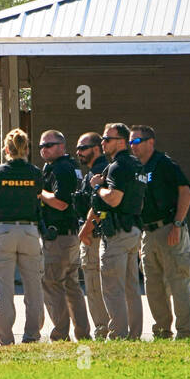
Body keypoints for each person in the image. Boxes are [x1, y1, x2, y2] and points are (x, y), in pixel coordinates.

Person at [0, 128, 44, 345]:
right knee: (33, 288)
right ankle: (32, 336)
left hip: (3, 231)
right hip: (30, 231)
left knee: (3, 289)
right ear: (26, 148)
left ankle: (5, 339)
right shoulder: (35, 173)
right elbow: (37, 197)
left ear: (6, 149)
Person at [80, 122, 145, 340]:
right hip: (133, 229)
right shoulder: (137, 164)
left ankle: (118, 334)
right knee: (131, 288)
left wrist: (98, 187)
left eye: (107, 139)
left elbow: (115, 199)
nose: (103, 143)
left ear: (121, 141)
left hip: (117, 232)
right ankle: (134, 335)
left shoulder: (118, 166)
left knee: (112, 288)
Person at [130, 125, 190, 339]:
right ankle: (162, 331)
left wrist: (177, 224)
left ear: (150, 142)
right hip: (148, 233)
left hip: (169, 228)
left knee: (178, 281)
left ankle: (184, 332)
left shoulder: (164, 164)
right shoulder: (136, 167)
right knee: (153, 285)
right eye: (130, 142)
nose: (133, 146)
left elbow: (185, 192)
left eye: (136, 142)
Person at [38, 130, 90, 341]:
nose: (43, 149)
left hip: (58, 236)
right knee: (71, 286)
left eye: (48, 145)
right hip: (69, 235)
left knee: (52, 284)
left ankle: (60, 335)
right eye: (41, 146)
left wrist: (39, 192)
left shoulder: (61, 168)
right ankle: (83, 334)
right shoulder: (67, 167)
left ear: (61, 146)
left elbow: (61, 203)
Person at [73, 131, 111, 340]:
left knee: (95, 286)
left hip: (94, 237)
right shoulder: (94, 172)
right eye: (78, 148)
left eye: (83, 148)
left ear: (97, 148)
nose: (79, 152)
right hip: (99, 235)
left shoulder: (99, 172)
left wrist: (86, 230)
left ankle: (102, 328)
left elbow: (100, 207)